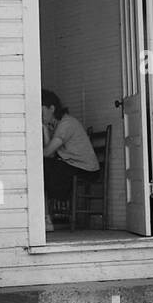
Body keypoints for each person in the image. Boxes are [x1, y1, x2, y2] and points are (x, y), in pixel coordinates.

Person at [41, 90, 100, 232]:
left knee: (42, 168)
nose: (40, 116)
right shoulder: (55, 124)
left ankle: (46, 218)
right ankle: (46, 217)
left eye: (42, 111)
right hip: (72, 165)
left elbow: (48, 152)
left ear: (52, 108)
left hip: (86, 170)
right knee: (43, 168)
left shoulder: (66, 123)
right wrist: (44, 129)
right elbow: (49, 154)